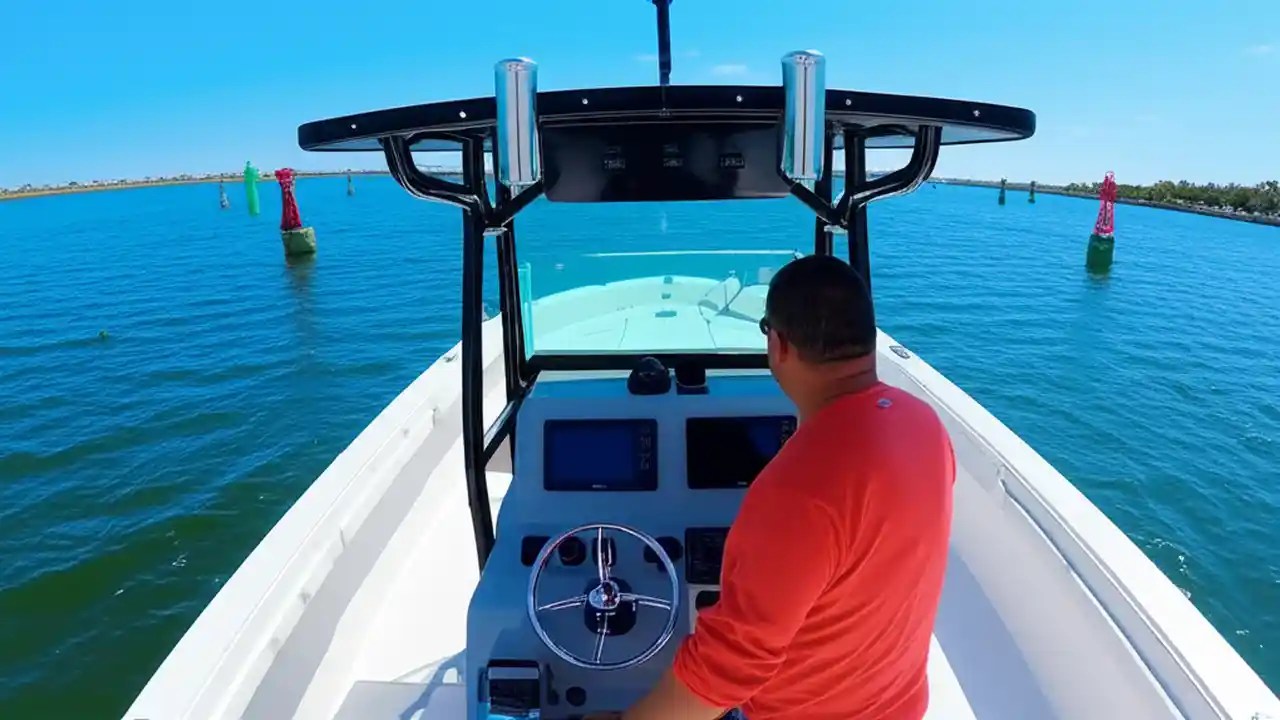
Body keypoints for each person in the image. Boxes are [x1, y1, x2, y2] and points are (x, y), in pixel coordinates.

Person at [617, 255, 956, 719]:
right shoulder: (925, 426)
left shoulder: (797, 493)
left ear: (777, 344)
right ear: (870, 337)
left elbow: (721, 673)